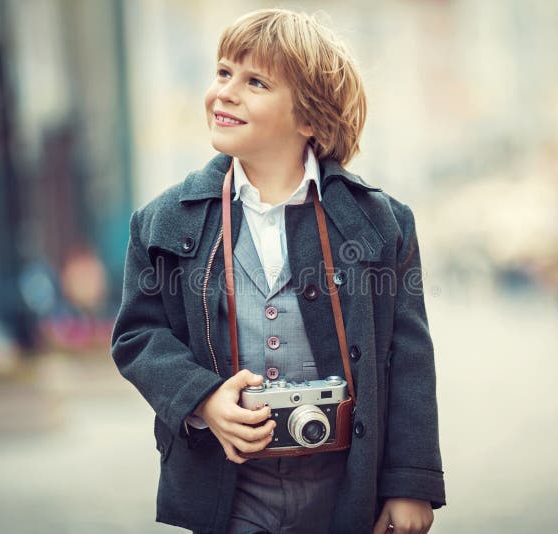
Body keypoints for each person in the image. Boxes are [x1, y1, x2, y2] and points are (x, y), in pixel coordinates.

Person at [111, 8, 445, 534]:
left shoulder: (382, 223)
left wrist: (410, 484)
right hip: (229, 487)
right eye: (223, 72)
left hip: (345, 488)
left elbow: (409, 359)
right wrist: (202, 398)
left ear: (309, 117)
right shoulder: (163, 220)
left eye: (255, 82)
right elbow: (137, 334)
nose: (225, 92)